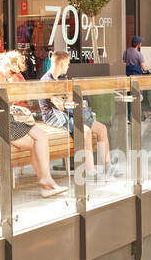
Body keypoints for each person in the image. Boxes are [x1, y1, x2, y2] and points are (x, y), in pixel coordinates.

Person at [0, 94, 66, 197]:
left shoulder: (8, 79)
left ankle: (46, 180)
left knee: (41, 136)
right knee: (36, 142)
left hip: (8, 118)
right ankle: (46, 182)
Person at [40, 50, 110, 180]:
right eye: (67, 64)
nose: (68, 66)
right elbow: (59, 105)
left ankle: (107, 167)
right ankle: (90, 171)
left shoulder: (62, 78)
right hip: (54, 115)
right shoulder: (46, 81)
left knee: (102, 129)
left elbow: (68, 99)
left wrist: (69, 101)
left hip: (69, 112)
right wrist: (69, 102)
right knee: (86, 131)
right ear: (60, 63)